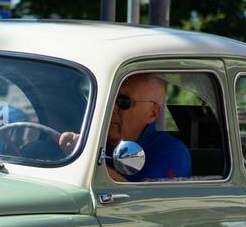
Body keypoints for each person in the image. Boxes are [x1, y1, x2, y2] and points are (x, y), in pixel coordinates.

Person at [59, 74, 191, 181]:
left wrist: (89, 159)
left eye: (123, 102)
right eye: (107, 99)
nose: (111, 108)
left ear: (152, 113)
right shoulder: (93, 140)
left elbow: (143, 203)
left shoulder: (171, 153)